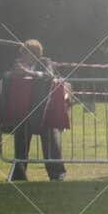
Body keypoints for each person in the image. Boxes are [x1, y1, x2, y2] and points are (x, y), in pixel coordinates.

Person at [5, 40, 67, 181]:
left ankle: (57, 174)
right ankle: (19, 175)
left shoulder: (45, 62)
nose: (22, 56)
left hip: (45, 109)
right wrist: (12, 74)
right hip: (23, 110)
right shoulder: (18, 63)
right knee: (21, 143)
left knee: (51, 143)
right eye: (22, 53)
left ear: (35, 54)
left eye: (25, 53)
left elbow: (48, 75)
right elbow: (7, 75)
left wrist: (28, 73)